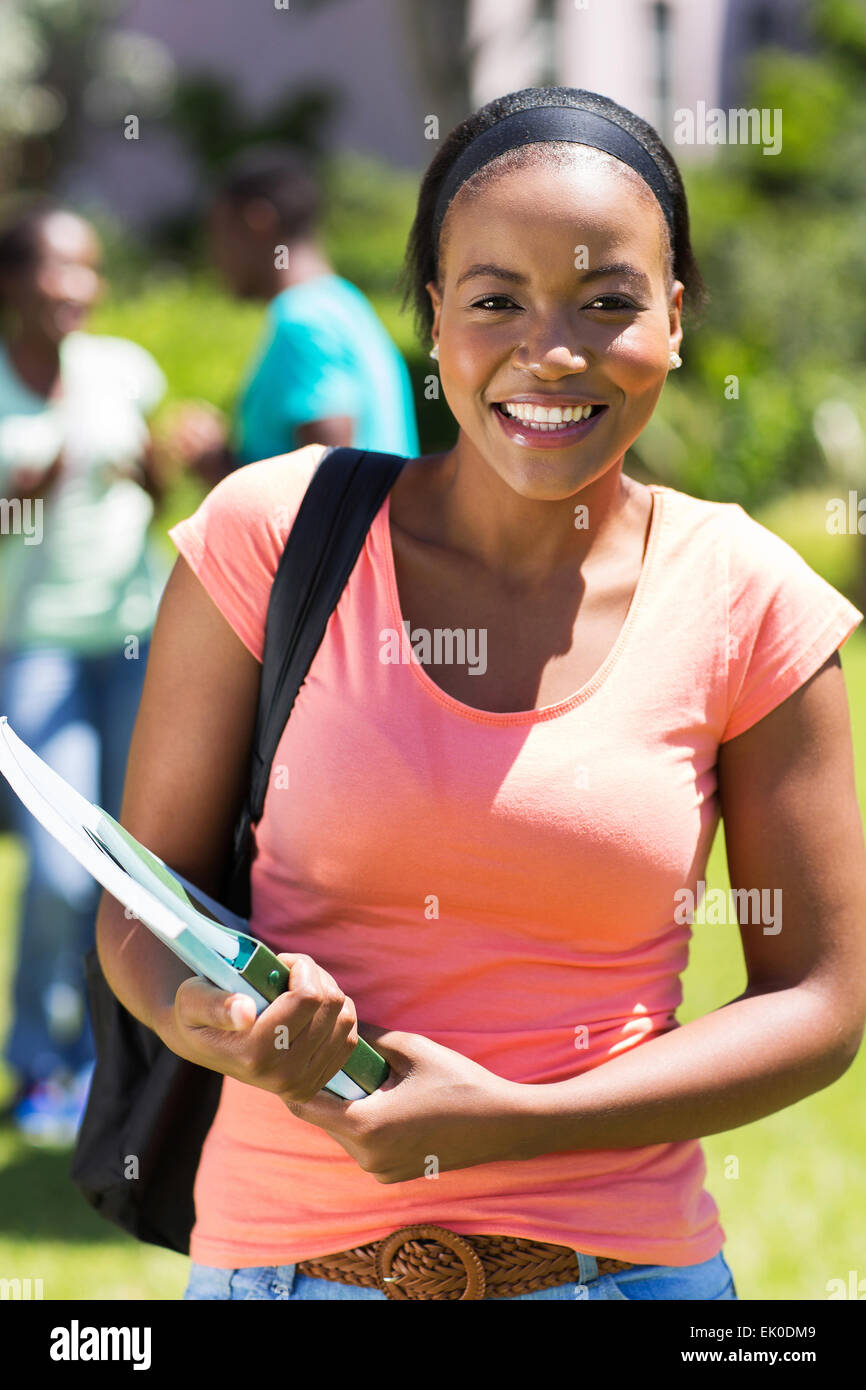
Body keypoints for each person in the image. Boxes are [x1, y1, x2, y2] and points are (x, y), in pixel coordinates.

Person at [97, 87, 866, 1302]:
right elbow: (142, 906)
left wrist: (509, 1121)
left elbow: (819, 1003)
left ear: (674, 317)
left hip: (618, 1277)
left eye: (606, 302)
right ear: (434, 321)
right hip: (280, 1272)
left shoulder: (747, 597)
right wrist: (205, 1017)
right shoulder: (271, 535)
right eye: (494, 299)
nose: (548, 351)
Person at [0, 201, 169, 1143]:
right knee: (63, 868)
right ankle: (37, 1063)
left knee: (133, 865)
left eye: (86, 270)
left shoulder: (122, 372)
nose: (73, 288)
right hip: (34, 651)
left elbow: (154, 493)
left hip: (134, 644)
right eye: (52, 271)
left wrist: (155, 465)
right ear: (10, 285)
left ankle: (116, 1064)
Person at [169, 148, 419, 484]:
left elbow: (330, 488)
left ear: (256, 222)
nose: (215, 257)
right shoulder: (345, 303)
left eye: (218, 233)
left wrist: (216, 466)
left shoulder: (302, 319)